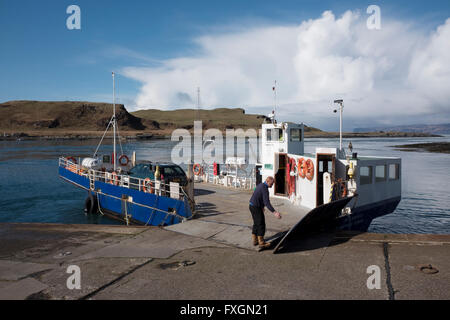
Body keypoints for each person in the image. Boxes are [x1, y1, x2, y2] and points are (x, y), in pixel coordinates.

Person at [249, 176, 281, 249]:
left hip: (252, 206)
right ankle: (261, 243)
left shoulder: (260, 185)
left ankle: (255, 240)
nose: (272, 185)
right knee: (261, 224)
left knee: (256, 223)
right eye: (271, 184)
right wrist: (274, 212)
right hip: (256, 207)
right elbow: (267, 202)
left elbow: (259, 197)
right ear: (267, 181)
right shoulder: (264, 188)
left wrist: (262, 207)